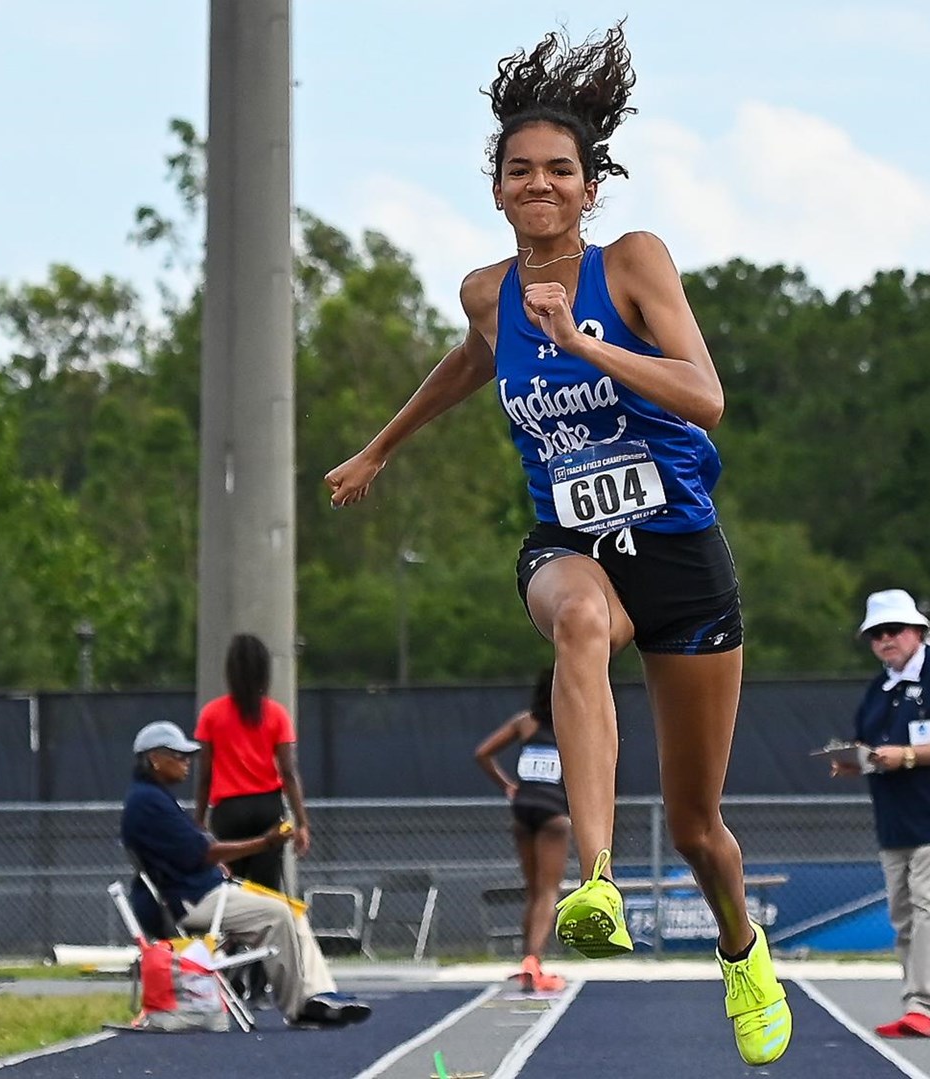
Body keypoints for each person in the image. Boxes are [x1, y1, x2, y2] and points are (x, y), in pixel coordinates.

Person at [322, 24, 789, 1065]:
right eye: (520, 170)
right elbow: (471, 360)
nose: (539, 183)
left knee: (699, 824)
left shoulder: (631, 265)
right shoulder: (486, 292)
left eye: (559, 171)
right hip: (570, 538)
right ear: (497, 189)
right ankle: (594, 880)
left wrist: (585, 342)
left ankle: (740, 947)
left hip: (679, 551)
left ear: (587, 188)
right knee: (578, 621)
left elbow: (705, 397)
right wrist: (379, 448)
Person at [121, 721, 371, 1029]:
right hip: (189, 901)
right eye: (180, 755)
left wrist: (214, 860)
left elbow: (193, 849)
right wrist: (265, 843)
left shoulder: (153, 797)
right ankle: (299, 1009)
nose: (188, 763)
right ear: (155, 759)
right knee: (277, 914)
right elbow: (204, 853)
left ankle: (320, 995)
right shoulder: (148, 802)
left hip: (202, 890)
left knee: (292, 912)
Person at [830, 589, 930, 1039]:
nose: (884, 640)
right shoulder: (880, 689)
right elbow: (872, 747)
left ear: (917, 631)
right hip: (894, 821)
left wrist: (906, 756)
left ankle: (929, 1007)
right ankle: (922, 1001)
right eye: (876, 634)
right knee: (904, 916)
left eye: (892, 630)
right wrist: (853, 761)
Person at [474, 668, 570, 994]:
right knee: (548, 892)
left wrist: (507, 786)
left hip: (523, 809)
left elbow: (482, 753)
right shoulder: (573, 723)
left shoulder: (525, 721)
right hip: (553, 813)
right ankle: (533, 961)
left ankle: (528, 962)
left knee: (533, 891)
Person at [192, 633, 311, 894]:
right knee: (266, 892)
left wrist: (199, 820)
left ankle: (233, 936)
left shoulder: (211, 714)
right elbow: (289, 773)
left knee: (229, 891)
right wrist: (302, 822)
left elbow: (205, 775)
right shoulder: (277, 714)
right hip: (267, 808)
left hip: (229, 810)